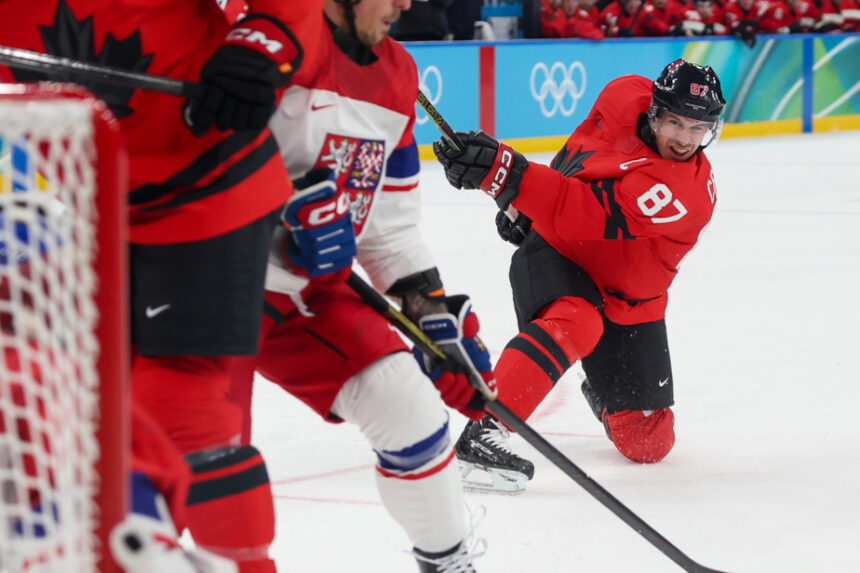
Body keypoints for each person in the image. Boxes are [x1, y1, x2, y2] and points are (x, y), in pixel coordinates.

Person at [0, 1, 323, 571]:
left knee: (179, 406)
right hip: (62, 198)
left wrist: (261, 41)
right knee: (67, 414)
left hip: (205, 180)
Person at [226, 0, 493, 570]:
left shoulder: (396, 72)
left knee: (409, 406)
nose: (406, 5)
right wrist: (277, 200)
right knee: (202, 472)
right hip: (207, 277)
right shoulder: (258, 36)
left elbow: (389, 229)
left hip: (305, 293)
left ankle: (448, 563)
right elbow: (188, 151)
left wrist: (432, 315)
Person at [434, 60, 726, 482]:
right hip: (559, 255)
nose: (684, 139)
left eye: (698, 128)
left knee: (650, 444)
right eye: (675, 122)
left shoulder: (687, 194)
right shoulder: (624, 94)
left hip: (630, 302)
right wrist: (525, 205)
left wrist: (505, 175)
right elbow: (579, 154)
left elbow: (588, 212)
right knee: (577, 319)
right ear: (654, 111)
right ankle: (486, 429)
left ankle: (602, 391)